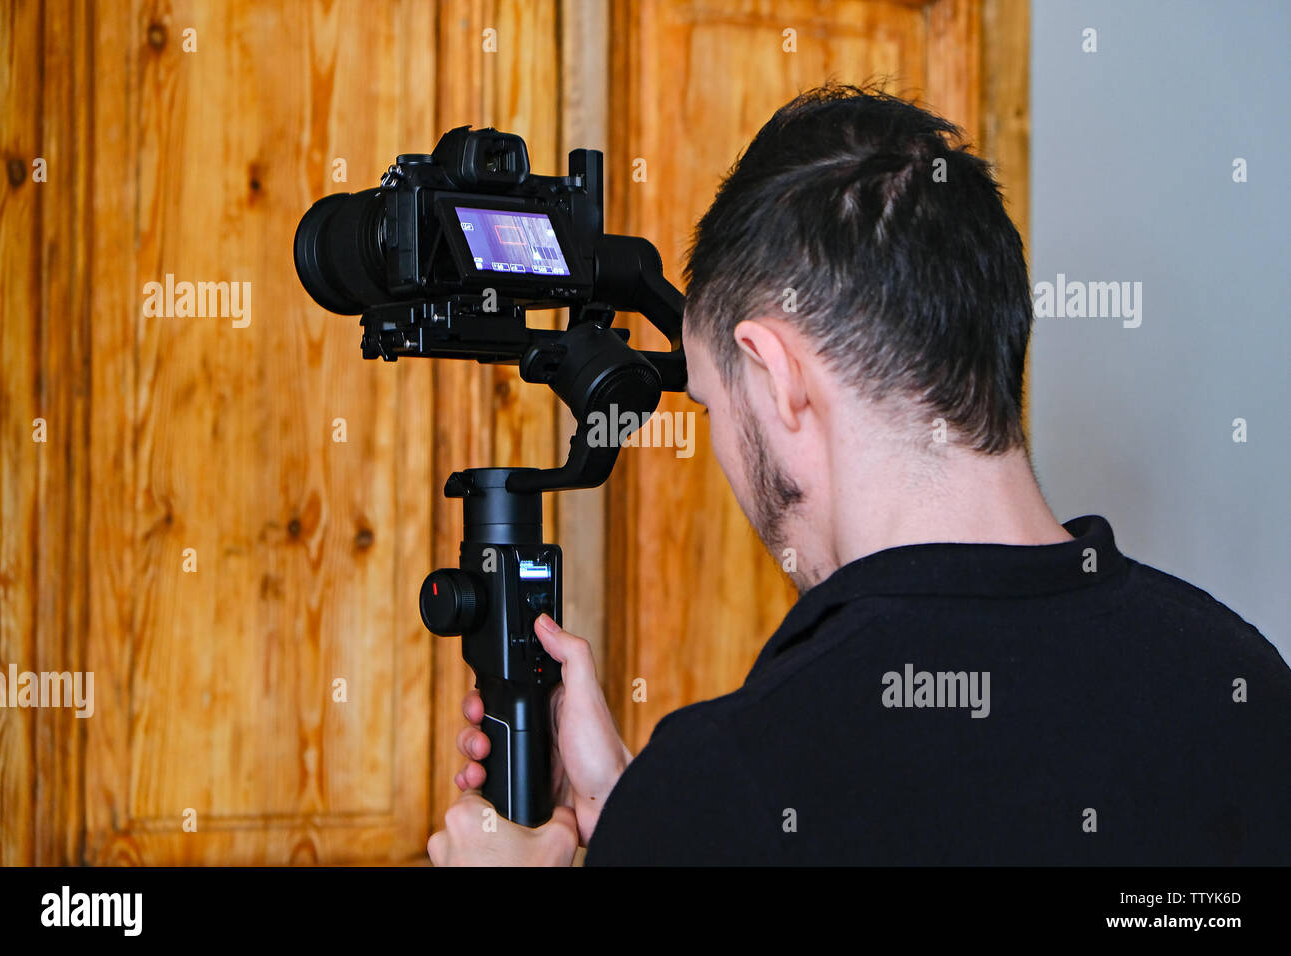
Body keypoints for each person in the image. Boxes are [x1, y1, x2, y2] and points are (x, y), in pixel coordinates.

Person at [425, 84, 1291, 867]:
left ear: (777, 376)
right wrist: (638, 817)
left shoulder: (737, 779)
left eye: (711, 403)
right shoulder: (1243, 681)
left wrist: (662, 821)